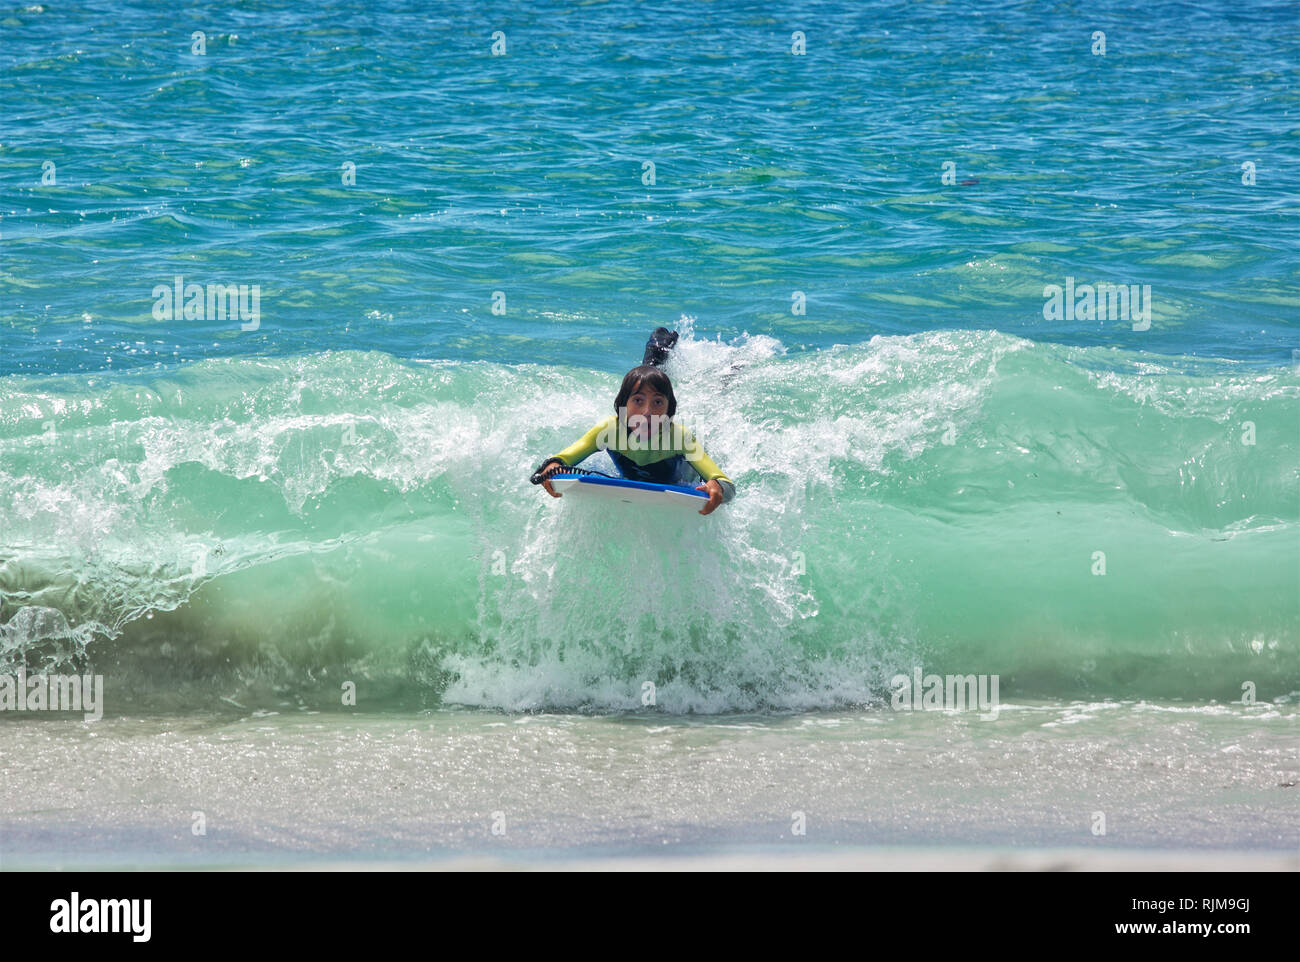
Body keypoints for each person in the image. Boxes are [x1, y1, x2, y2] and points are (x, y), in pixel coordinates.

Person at [531, 335, 735, 515]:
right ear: (623, 405)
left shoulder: (679, 438)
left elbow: (727, 486)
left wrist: (716, 486)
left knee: (655, 381)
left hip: (681, 479)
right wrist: (552, 468)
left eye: (658, 403)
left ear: (668, 410)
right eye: (637, 401)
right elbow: (560, 459)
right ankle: (657, 348)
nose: (647, 412)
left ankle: (730, 372)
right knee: (648, 378)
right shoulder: (609, 431)